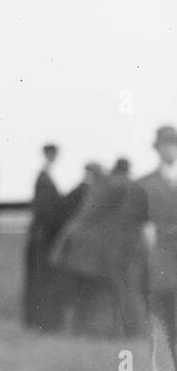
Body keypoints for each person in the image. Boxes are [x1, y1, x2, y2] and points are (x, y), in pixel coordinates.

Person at [53, 159, 148, 336]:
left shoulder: (105, 188)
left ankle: (87, 330)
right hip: (121, 248)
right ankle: (125, 331)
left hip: (100, 250)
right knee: (120, 290)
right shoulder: (130, 187)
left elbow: (86, 215)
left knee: (94, 291)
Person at [139, 126, 177, 371]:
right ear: (157, 149)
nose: (170, 150)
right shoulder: (146, 184)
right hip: (161, 263)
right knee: (162, 315)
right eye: (165, 145)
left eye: (173, 144)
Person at [23, 143, 68, 330]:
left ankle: (36, 317)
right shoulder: (44, 177)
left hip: (42, 232)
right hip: (42, 234)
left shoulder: (46, 176)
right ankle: (37, 317)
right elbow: (43, 208)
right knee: (41, 275)